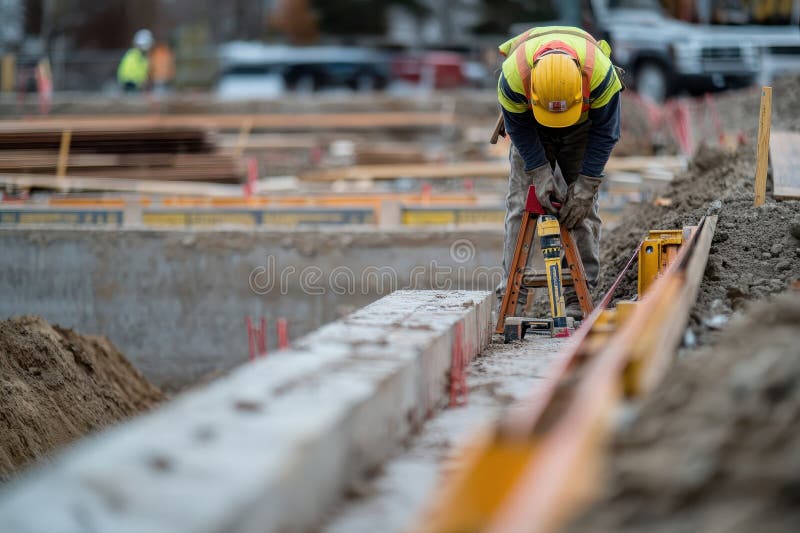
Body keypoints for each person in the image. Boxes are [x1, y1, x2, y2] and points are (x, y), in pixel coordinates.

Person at [495, 26, 623, 318]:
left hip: (583, 128)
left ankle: (579, 295)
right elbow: (517, 127)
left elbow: (606, 133)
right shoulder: (513, 77)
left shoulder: (602, 77)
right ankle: (512, 296)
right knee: (520, 206)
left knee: (582, 209)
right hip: (532, 128)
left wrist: (587, 185)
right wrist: (539, 172)